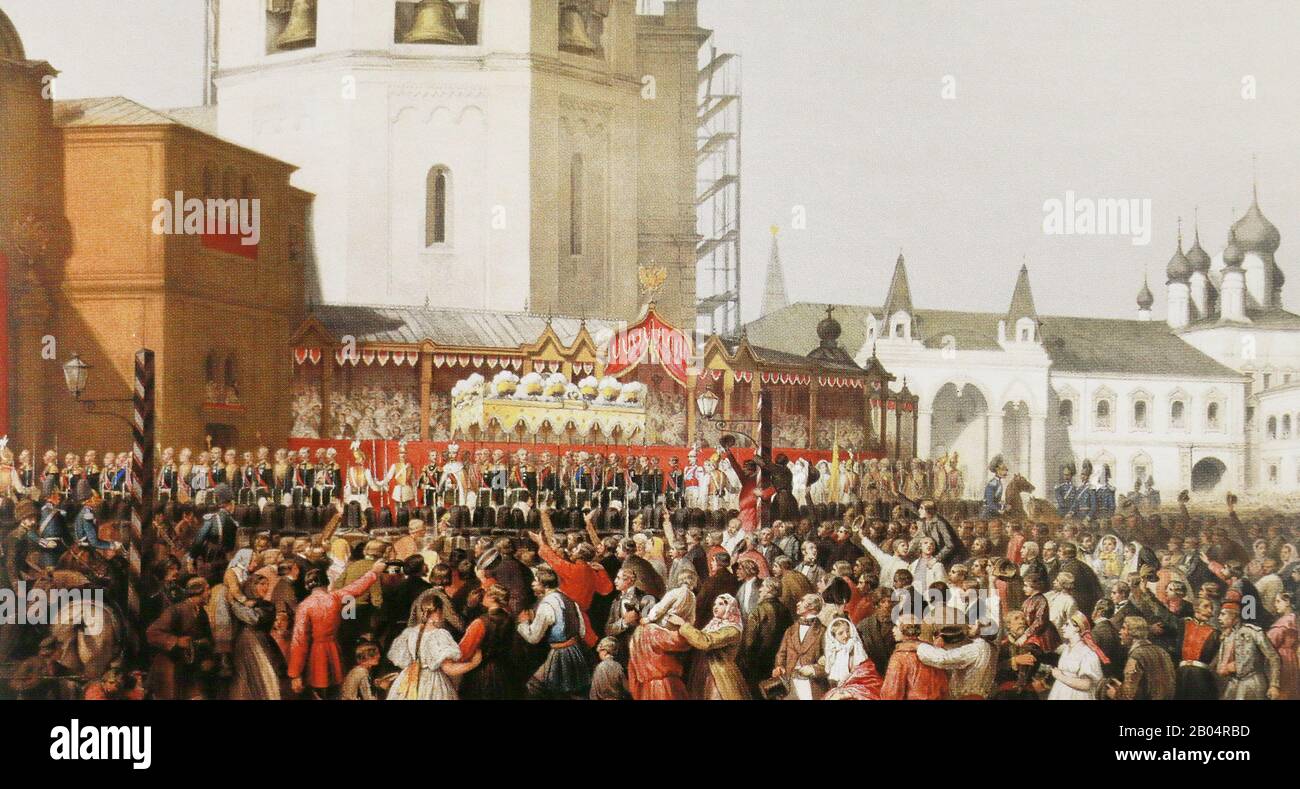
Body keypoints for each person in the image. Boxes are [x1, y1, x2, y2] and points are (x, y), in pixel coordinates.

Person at [289, 562, 385, 699]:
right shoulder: (335, 597)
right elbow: (356, 588)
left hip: (315, 656)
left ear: (307, 585)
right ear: (327, 582)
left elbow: (299, 641)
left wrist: (295, 673)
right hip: (334, 651)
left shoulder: (304, 606)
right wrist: (374, 572)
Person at [516, 566, 593, 699]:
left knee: (535, 687)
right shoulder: (568, 600)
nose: (532, 584)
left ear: (544, 584)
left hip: (560, 654)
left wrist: (523, 623)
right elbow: (582, 630)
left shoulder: (546, 605)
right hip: (576, 651)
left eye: (535, 581)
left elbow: (533, 637)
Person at [387, 593, 481, 700]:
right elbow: (449, 669)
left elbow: (404, 661)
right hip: (431, 683)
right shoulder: (438, 635)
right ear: (438, 612)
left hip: (409, 678)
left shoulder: (410, 633)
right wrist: (473, 663)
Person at [667, 593, 749, 700]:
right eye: (715, 604)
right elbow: (697, 637)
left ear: (730, 608)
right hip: (703, 670)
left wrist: (683, 624)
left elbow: (706, 642)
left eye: (720, 604)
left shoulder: (733, 630)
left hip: (719, 675)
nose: (715, 607)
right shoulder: (714, 624)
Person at [1214, 595, 1282, 700]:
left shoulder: (1253, 632)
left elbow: (1273, 658)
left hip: (1253, 683)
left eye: (1223, 614)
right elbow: (1221, 667)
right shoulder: (1227, 636)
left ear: (1234, 616)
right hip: (1233, 684)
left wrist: (1274, 685)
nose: (1219, 618)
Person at [917, 623, 997, 699]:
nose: (969, 626)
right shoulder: (988, 647)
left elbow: (943, 659)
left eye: (974, 624)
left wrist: (918, 646)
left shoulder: (978, 648)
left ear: (982, 630)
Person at [773, 594, 829, 700]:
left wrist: (813, 669)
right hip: (789, 683)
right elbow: (782, 653)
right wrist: (779, 666)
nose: (798, 603)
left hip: (812, 684)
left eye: (802, 601)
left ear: (812, 607)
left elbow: (830, 659)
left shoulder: (823, 631)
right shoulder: (790, 630)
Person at [1105, 616, 1175, 700]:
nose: (1120, 632)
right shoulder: (1162, 652)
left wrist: (1115, 694)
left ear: (1133, 633)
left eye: (1124, 628)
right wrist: (1122, 686)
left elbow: (1127, 696)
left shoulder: (1136, 656)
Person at [881, 615, 949, 700]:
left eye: (896, 626)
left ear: (904, 630)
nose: (893, 630)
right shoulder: (932, 652)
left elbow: (891, 694)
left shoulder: (899, 657)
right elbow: (944, 688)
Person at [1048, 612, 1105, 700]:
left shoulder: (1087, 654)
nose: (1062, 627)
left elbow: (1087, 684)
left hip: (1077, 695)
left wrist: (1060, 676)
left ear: (1077, 628)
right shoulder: (1066, 649)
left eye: (1067, 625)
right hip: (1060, 692)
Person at [1176, 598, 1221, 700]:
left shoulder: (1215, 633)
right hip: (1181, 674)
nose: (1210, 610)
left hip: (1201, 676)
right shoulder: (1183, 624)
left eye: (1211, 608)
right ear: (1196, 608)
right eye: (1206, 606)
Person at [1266, 592, 1298, 700]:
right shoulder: (1294, 619)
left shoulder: (1283, 623)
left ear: (1288, 602)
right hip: (1291, 660)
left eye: (1278, 601)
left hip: (1281, 660)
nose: (1275, 605)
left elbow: (1268, 643)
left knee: (1282, 692)